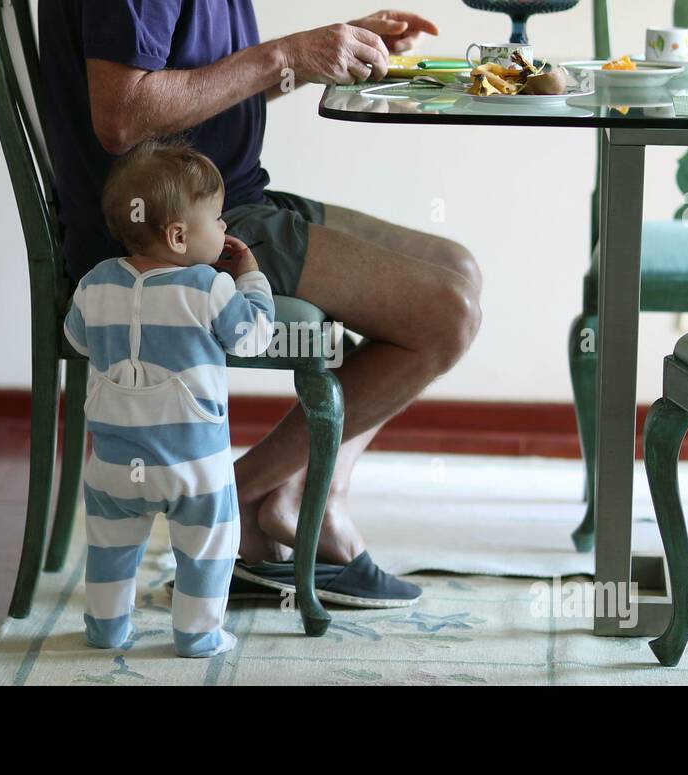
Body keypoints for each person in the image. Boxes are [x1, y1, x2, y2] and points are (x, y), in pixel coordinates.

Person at [42, 2, 483, 607]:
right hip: (172, 239)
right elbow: (122, 116)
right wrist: (287, 54)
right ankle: (249, 496)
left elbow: (200, 87)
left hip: (231, 200)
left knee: (458, 270)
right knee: (447, 313)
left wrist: (327, 54)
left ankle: (299, 497)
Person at [65, 141, 274, 657]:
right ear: (179, 236)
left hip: (114, 462)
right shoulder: (208, 287)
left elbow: (75, 340)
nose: (224, 230)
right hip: (192, 466)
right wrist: (250, 276)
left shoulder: (94, 283)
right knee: (208, 549)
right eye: (218, 221)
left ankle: (106, 628)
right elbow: (253, 336)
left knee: (111, 548)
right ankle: (197, 634)